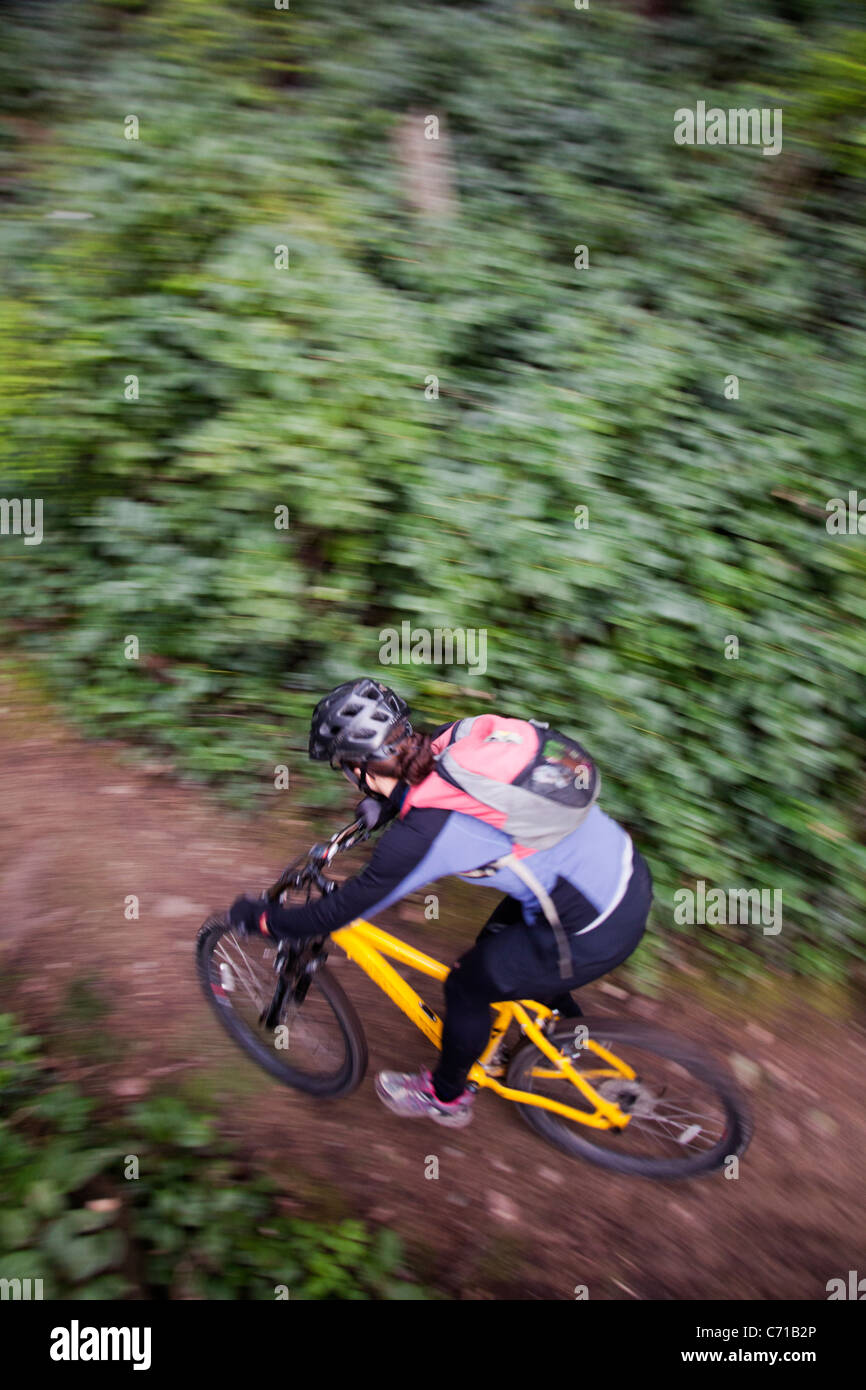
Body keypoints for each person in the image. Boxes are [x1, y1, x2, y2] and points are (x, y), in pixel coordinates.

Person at [229, 677, 652, 1129]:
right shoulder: (453, 739)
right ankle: (566, 1031)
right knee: (497, 945)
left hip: (593, 927)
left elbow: (338, 913)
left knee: (467, 985)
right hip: (621, 874)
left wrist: (264, 921)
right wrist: (386, 808)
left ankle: (446, 1097)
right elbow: (433, 789)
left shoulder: (421, 839)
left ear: (359, 769)